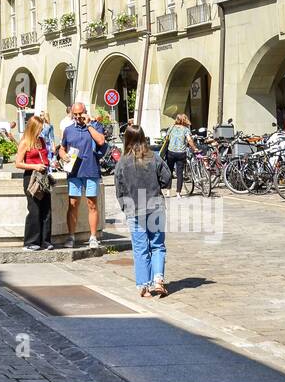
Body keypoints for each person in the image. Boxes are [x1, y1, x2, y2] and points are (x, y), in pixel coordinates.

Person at [114, 123, 172, 298]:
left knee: (140, 248)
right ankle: (158, 280)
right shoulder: (153, 157)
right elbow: (167, 176)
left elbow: (119, 188)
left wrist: (125, 206)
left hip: (134, 208)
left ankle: (143, 286)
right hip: (155, 205)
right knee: (157, 245)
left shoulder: (122, 162)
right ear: (143, 137)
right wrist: (158, 186)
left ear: (127, 140)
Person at [57, 102, 108, 249]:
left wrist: (89, 125)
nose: (79, 117)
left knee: (92, 204)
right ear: (72, 114)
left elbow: (100, 140)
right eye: (76, 114)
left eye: (81, 113)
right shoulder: (68, 130)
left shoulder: (95, 126)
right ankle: (71, 236)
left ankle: (93, 237)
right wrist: (63, 155)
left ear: (85, 112)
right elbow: (62, 148)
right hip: (74, 172)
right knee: (73, 204)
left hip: (91, 170)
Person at [14, 116, 54, 251]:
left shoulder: (41, 140)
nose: (41, 131)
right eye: (39, 129)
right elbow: (18, 163)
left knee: (46, 209)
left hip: (43, 176)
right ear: (33, 128)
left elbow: (45, 157)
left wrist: (50, 163)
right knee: (34, 209)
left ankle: (45, 240)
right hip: (31, 177)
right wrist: (35, 166)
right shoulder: (25, 142)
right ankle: (31, 241)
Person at [161, 113, 198, 197]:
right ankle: (178, 193)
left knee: (169, 171)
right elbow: (189, 140)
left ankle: (168, 191)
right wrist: (194, 148)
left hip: (171, 152)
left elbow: (166, 139)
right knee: (179, 173)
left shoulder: (171, 128)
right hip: (181, 153)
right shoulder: (186, 129)